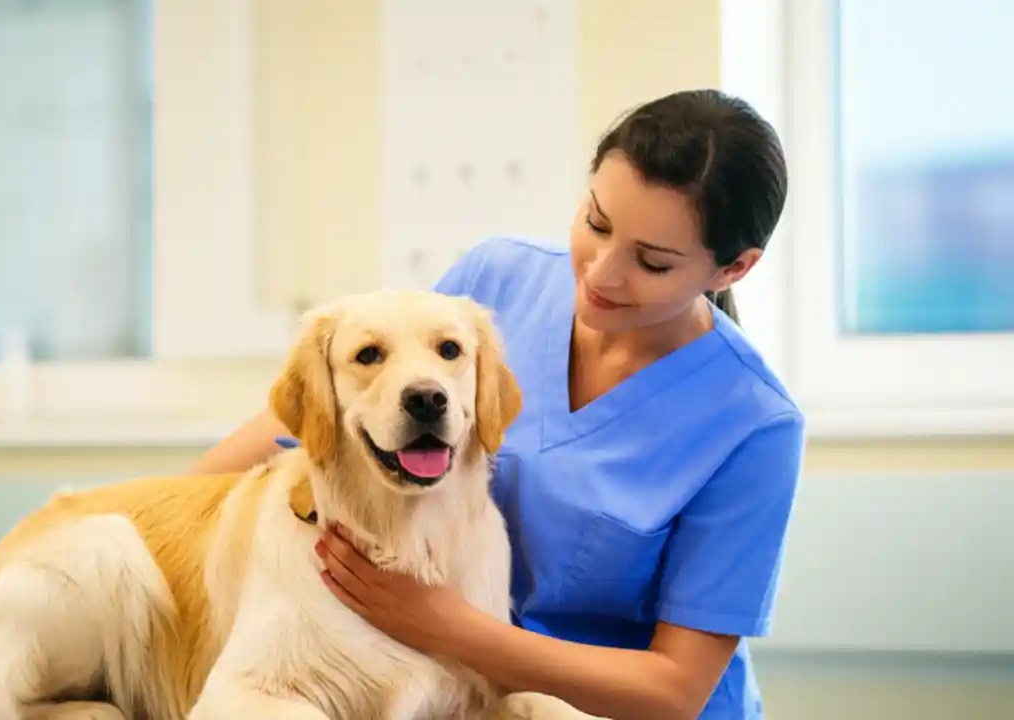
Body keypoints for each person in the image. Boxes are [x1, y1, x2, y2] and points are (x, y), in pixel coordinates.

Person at [189, 88, 803, 720]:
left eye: (651, 262)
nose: (600, 274)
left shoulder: (754, 425)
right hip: (463, 687)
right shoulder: (498, 279)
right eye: (595, 223)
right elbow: (346, 406)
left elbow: (673, 690)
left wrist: (446, 626)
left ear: (732, 270)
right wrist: (162, 507)